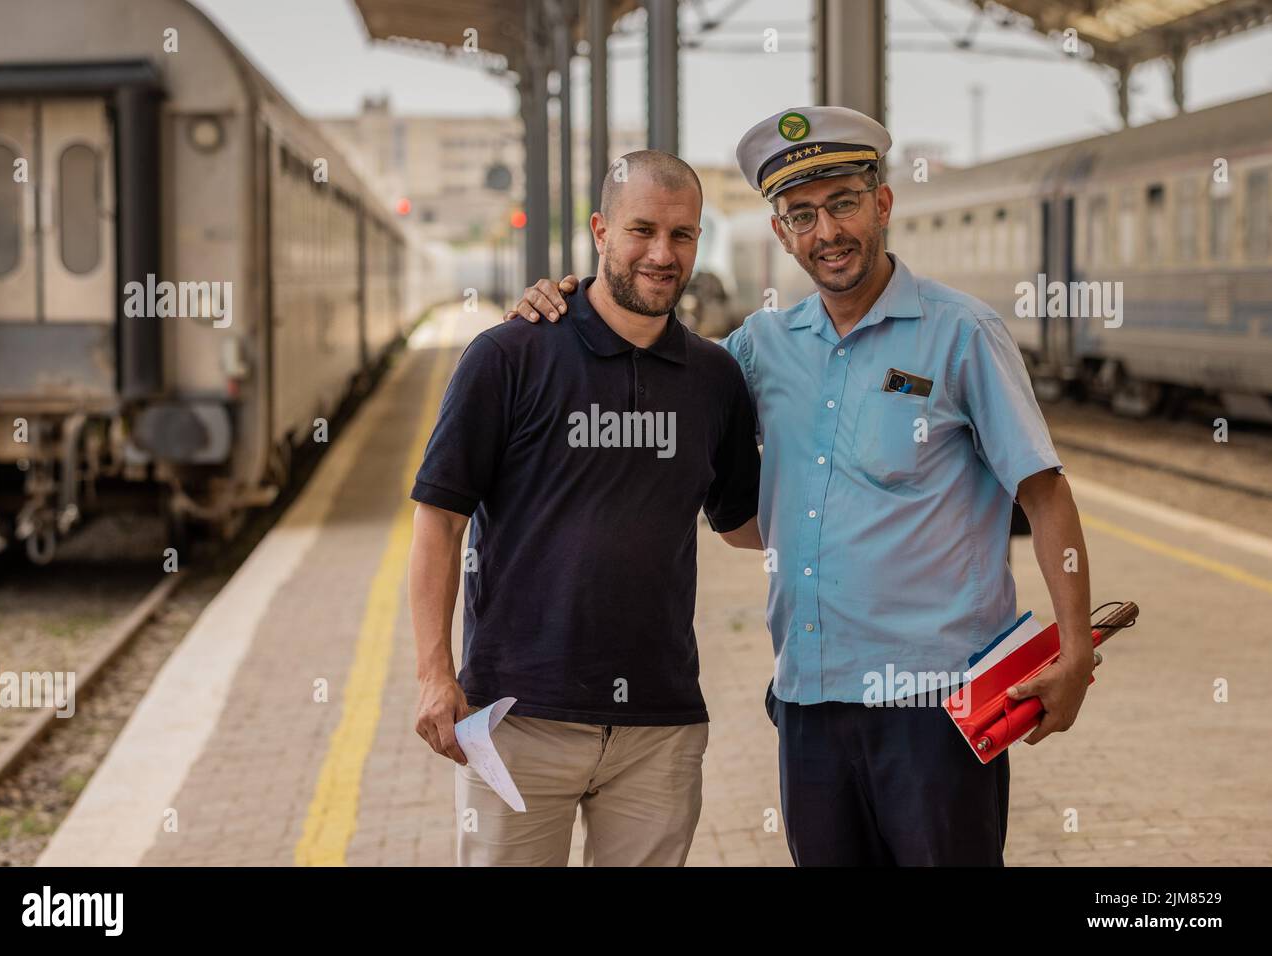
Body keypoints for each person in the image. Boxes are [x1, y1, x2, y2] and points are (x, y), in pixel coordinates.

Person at [506, 107, 1096, 866]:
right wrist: (559, 310)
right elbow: (652, 372)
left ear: (882, 205)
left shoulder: (962, 335)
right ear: (783, 234)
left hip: (937, 711)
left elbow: (1045, 494)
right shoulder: (759, 348)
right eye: (803, 215)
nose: (828, 232)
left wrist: (1074, 649)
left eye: (845, 203)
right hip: (810, 708)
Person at [409, 150, 762, 866]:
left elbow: (742, 526)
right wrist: (433, 674)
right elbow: (439, 522)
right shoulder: (509, 356)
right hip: (516, 720)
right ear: (601, 231)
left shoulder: (714, 378)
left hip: (659, 728)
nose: (662, 254)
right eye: (642, 230)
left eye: (683, 235)